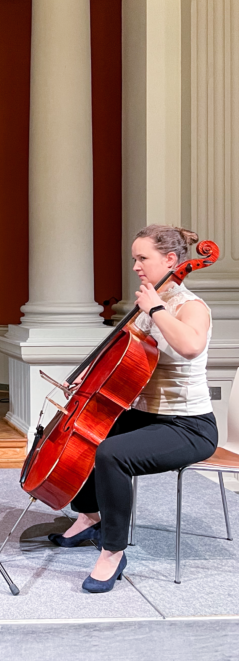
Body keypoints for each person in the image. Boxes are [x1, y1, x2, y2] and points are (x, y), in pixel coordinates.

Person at [48, 225, 218, 592]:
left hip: (188, 426)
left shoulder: (190, 307)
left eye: (143, 258)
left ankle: (113, 551)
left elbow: (189, 346)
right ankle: (90, 515)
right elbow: (126, 363)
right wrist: (91, 381)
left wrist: (156, 308)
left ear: (171, 259)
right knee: (87, 430)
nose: (136, 266)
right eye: (134, 259)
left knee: (112, 453)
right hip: (148, 414)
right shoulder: (146, 306)